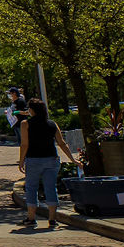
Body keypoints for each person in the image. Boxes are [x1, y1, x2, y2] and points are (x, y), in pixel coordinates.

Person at [18, 98, 77, 229]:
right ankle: (52, 219)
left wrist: (21, 161)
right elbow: (61, 143)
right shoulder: (52, 124)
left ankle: (31, 218)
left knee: (31, 188)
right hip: (52, 159)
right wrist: (72, 159)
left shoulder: (25, 124)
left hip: (34, 159)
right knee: (51, 188)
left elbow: (24, 144)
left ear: (32, 110)